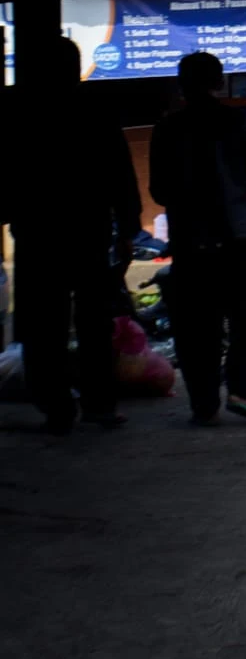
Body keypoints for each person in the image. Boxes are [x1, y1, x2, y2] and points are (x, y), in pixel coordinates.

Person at [10, 37, 141, 432]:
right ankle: (98, 403)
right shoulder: (94, 109)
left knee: (42, 323)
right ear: (75, 67)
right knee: (93, 321)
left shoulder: (20, 110)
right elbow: (121, 172)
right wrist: (128, 225)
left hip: (37, 232)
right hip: (88, 229)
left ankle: (56, 406)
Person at [149, 52, 246, 423]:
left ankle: (203, 404)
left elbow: (159, 190)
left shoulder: (167, 128)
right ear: (219, 82)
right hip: (237, 236)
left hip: (190, 241)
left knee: (195, 326)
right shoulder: (235, 121)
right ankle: (242, 390)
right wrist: (236, 202)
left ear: (181, 84)